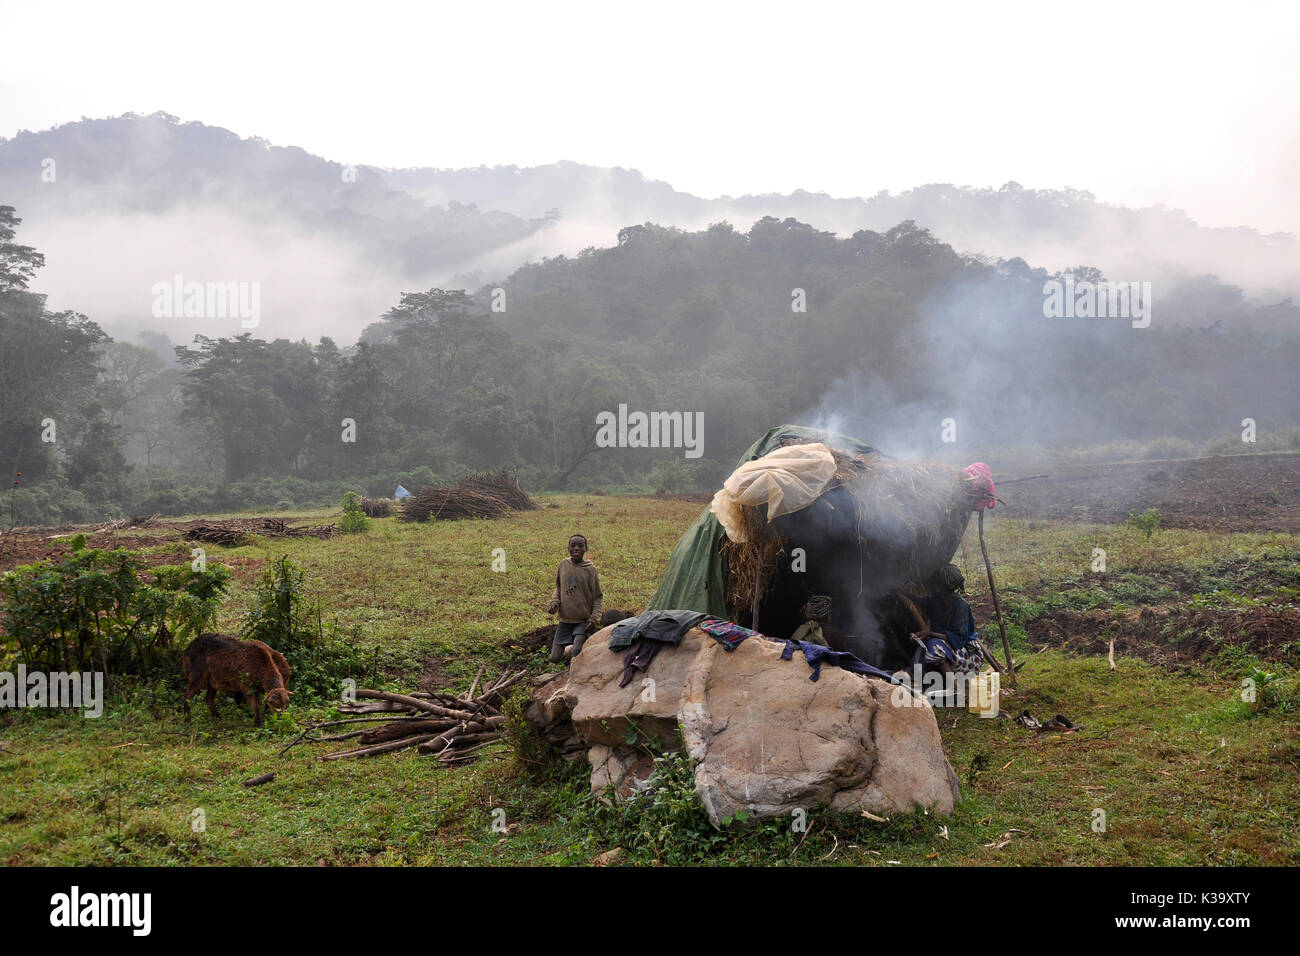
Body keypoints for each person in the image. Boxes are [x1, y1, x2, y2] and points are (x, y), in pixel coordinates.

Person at [914, 564, 983, 675]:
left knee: (934, 646)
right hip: (952, 651)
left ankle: (953, 684)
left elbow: (958, 639)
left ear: (941, 586)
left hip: (967, 657)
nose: (932, 587)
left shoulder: (961, 607)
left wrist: (930, 634)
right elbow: (921, 601)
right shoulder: (936, 601)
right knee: (920, 653)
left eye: (935, 584)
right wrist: (901, 593)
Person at [546, 533, 604, 662]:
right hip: (565, 620)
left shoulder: (590, 569)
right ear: (568, 548)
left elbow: (598, 596)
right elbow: (559, 587)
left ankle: (576, 662)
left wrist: (594, 618)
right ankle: (570, 653)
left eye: (580, 545)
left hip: (582, 620)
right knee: (554, 658)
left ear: (586, 548)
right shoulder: (563, 565)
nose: (576, 548)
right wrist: (555, 602)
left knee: (577, 651)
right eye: (573, 545)